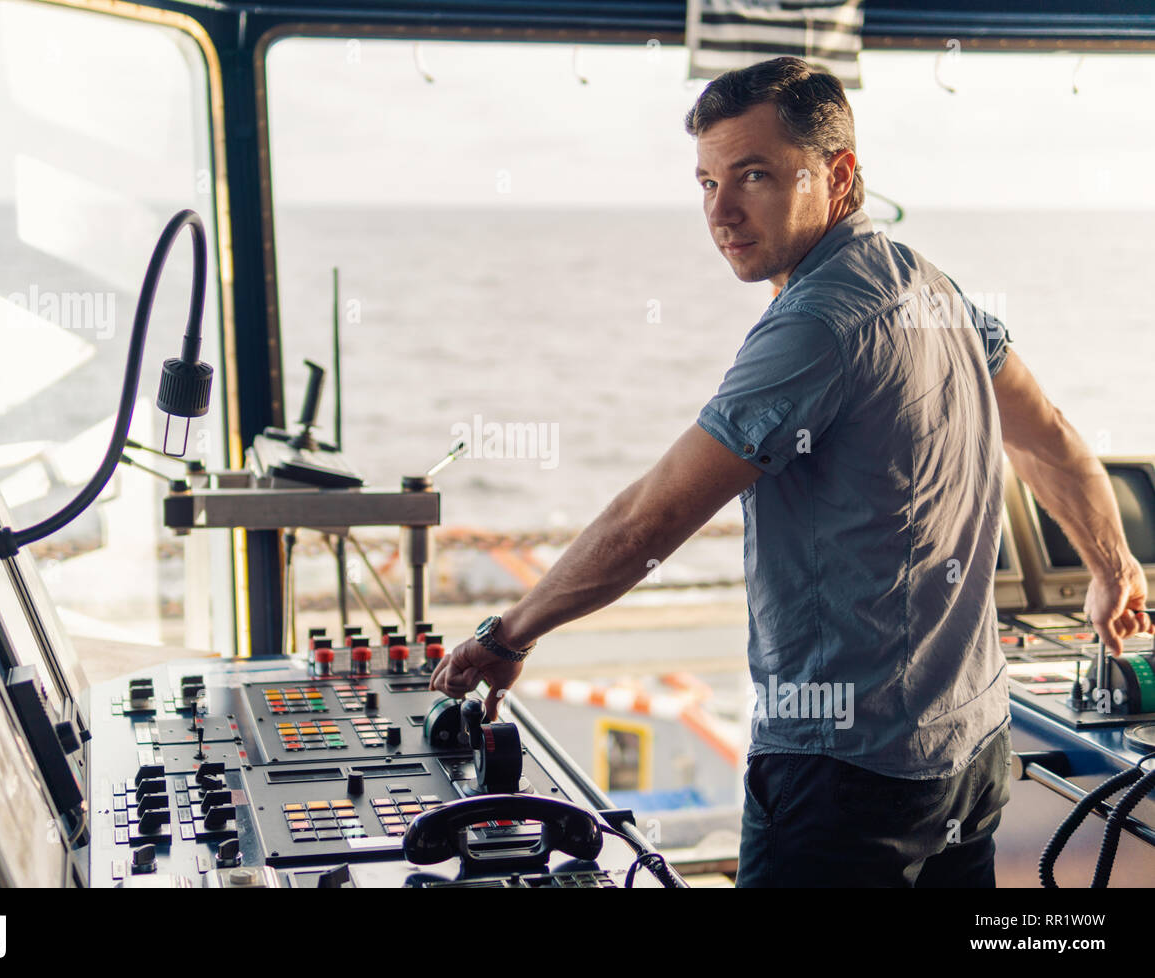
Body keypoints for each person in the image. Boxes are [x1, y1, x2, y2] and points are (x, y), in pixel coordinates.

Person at [428, 56, 1153, 886]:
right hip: (971, 751)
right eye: (705, 183)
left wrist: (507, 634)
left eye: (755, 176)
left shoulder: (815, 324)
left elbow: (651, 521)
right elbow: (1051, 438)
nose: (722, 212)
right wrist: (1112, 566)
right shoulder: (932, 288)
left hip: (844, 779)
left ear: (837, 175)